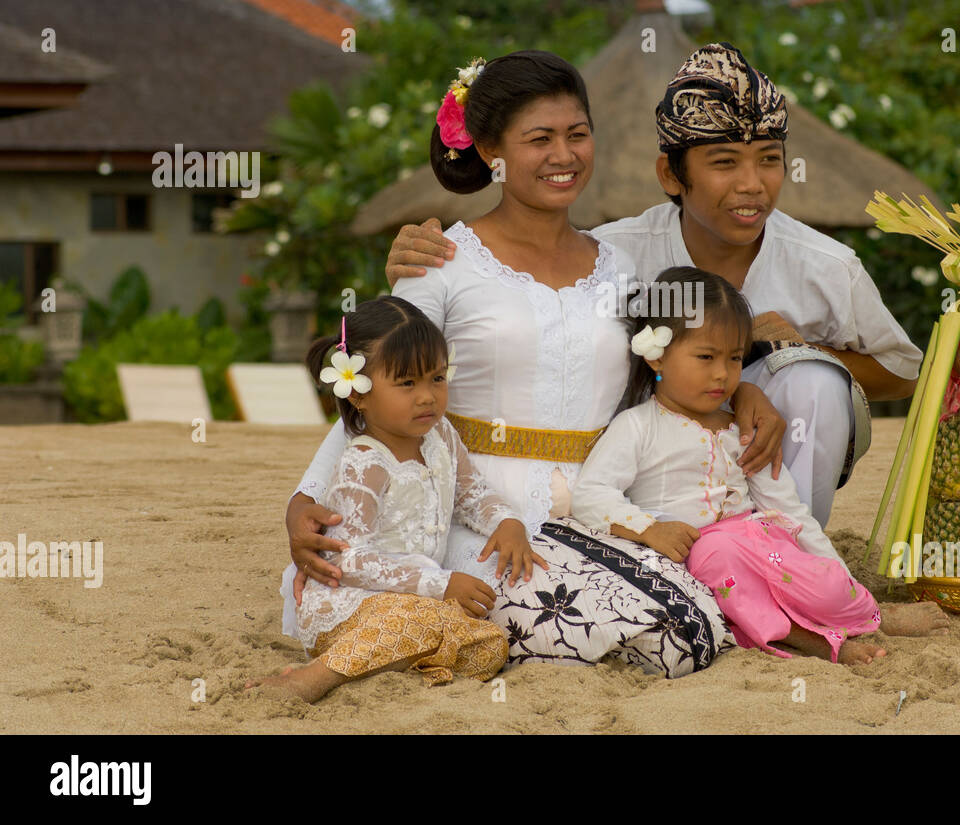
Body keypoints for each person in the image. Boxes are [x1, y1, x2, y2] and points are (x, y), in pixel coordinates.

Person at [284, 51, 793, 677]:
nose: (564, 154)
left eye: (578, 134)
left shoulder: (621, 271)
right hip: (481, 518)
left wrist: (741, 394)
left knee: (695, 623)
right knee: (666, 636)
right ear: (492, 151)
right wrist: (306, 495)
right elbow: (388, 397)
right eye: (540, 139)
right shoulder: (440, 263)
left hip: (602, 505)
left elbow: (685, 359)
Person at [382, 42, 923, 527]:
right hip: (640, 464)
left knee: (810, 381)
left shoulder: (826, 263)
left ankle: (788, 555)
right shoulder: (621, 256)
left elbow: (905, 371)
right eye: (724, 162)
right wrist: (428, 275)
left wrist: (795, 353)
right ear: (670, 175)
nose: (752, 185)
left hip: (767, 443)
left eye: (770, 161)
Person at [571, 267, 891, 665]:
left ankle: (870, 613)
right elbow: (590, 494)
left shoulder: (741, 430)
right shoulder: (636, 427)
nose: (722, 374)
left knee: (823, 581)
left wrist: (837, 573)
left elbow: (790, 509)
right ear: (657, 356)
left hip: (764, 555)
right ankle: (807, 640)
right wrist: (650, 529)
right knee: (717, 550)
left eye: (735, 358)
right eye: (706, 357)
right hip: (693, 564)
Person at [251, 296, 535, 703]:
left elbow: (473, 494)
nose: (427, 397)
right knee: (417, 620)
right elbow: (344, 559)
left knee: (489, 643)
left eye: (437, 378)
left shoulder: (442, 438)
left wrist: (507, 522)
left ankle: (377, 668)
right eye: (407, 383)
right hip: (351, 605)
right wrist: (439, 584)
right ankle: (316, 675)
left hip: (412, 604)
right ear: (359, 395)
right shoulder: (364, 463)